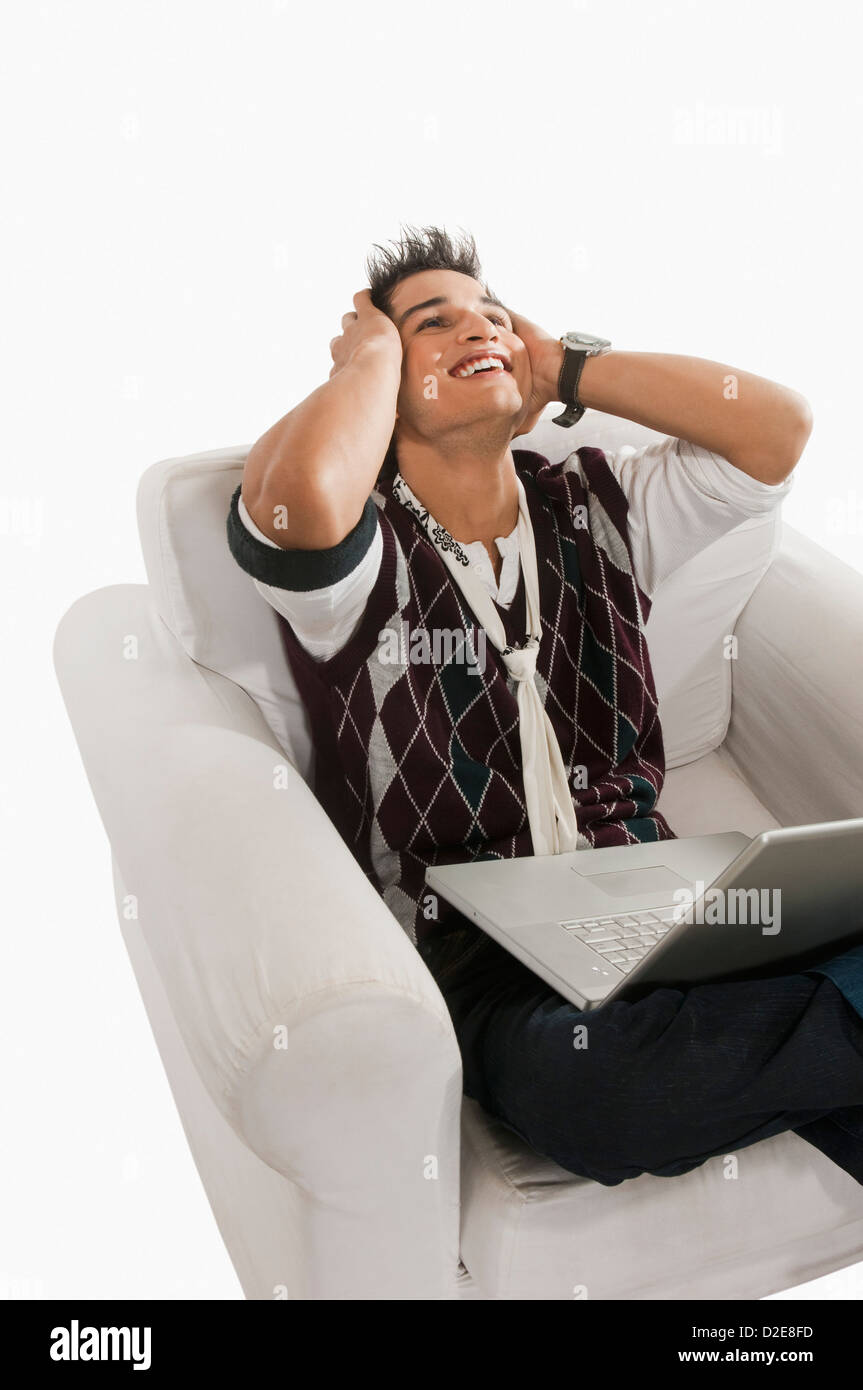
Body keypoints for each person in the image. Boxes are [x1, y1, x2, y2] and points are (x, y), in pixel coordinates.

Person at [225, 223, 863, 1186]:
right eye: (432, 325)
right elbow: (304, 498)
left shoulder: (600, 505)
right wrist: (367, 354)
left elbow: (777, 426)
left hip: (664, 906)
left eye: (493, 318)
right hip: (481, 959)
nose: (477, 332)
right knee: (597, 1093)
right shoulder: (354, 563)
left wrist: (558, 363)